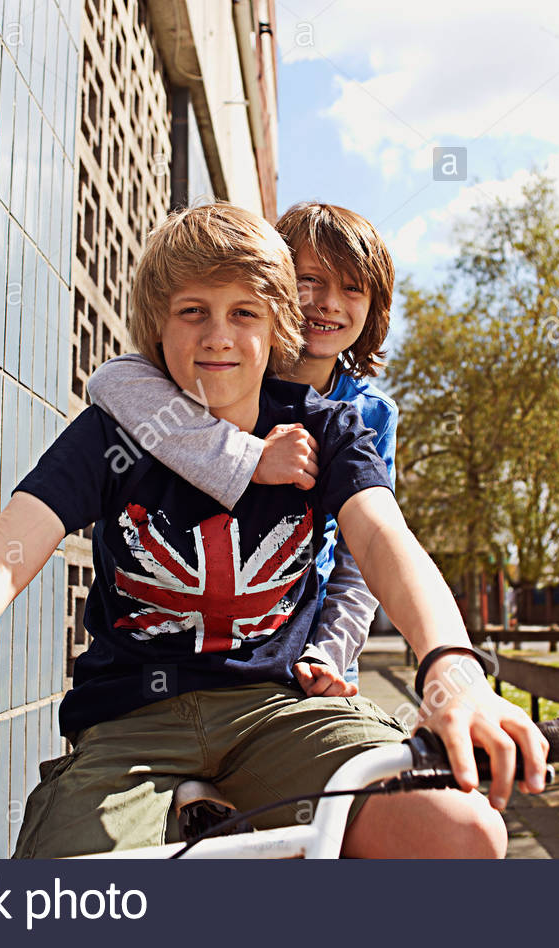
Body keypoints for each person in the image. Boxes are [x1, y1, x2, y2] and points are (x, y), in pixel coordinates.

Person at [0, 203, 547, 860]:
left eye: (245, 313)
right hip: (129, 721)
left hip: (278, 705)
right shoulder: (111, 436)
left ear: (279, 328)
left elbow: (384, 543)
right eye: (193, 312)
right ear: (159, 329)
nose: (219, 336)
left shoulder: (330, 431)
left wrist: (453, 672)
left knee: (463, 832)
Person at [85, 202, 396, 699]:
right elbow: (113, 380)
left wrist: (330, 650)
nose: (327, 303)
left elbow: (363, 555)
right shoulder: (224, 366)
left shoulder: (369, 415)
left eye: (352, 287)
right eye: (309, 281)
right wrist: (248, 457)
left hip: (310, 658)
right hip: (179, 657)